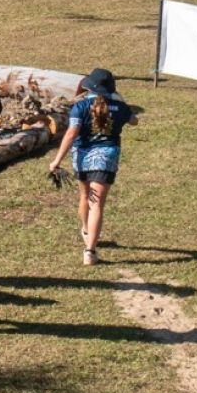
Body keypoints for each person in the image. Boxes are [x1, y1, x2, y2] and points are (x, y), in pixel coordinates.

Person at [48, 68, 138, 266]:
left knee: (84, 196)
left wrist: (57, 160)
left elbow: (71, 134)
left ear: (90, 88)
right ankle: (90, 251)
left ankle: (86, 229)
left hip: (82, 156)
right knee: (97, 204)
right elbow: (134, 121)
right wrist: (119, 99)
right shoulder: (119, 107)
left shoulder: (79, 108)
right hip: (107, 157)